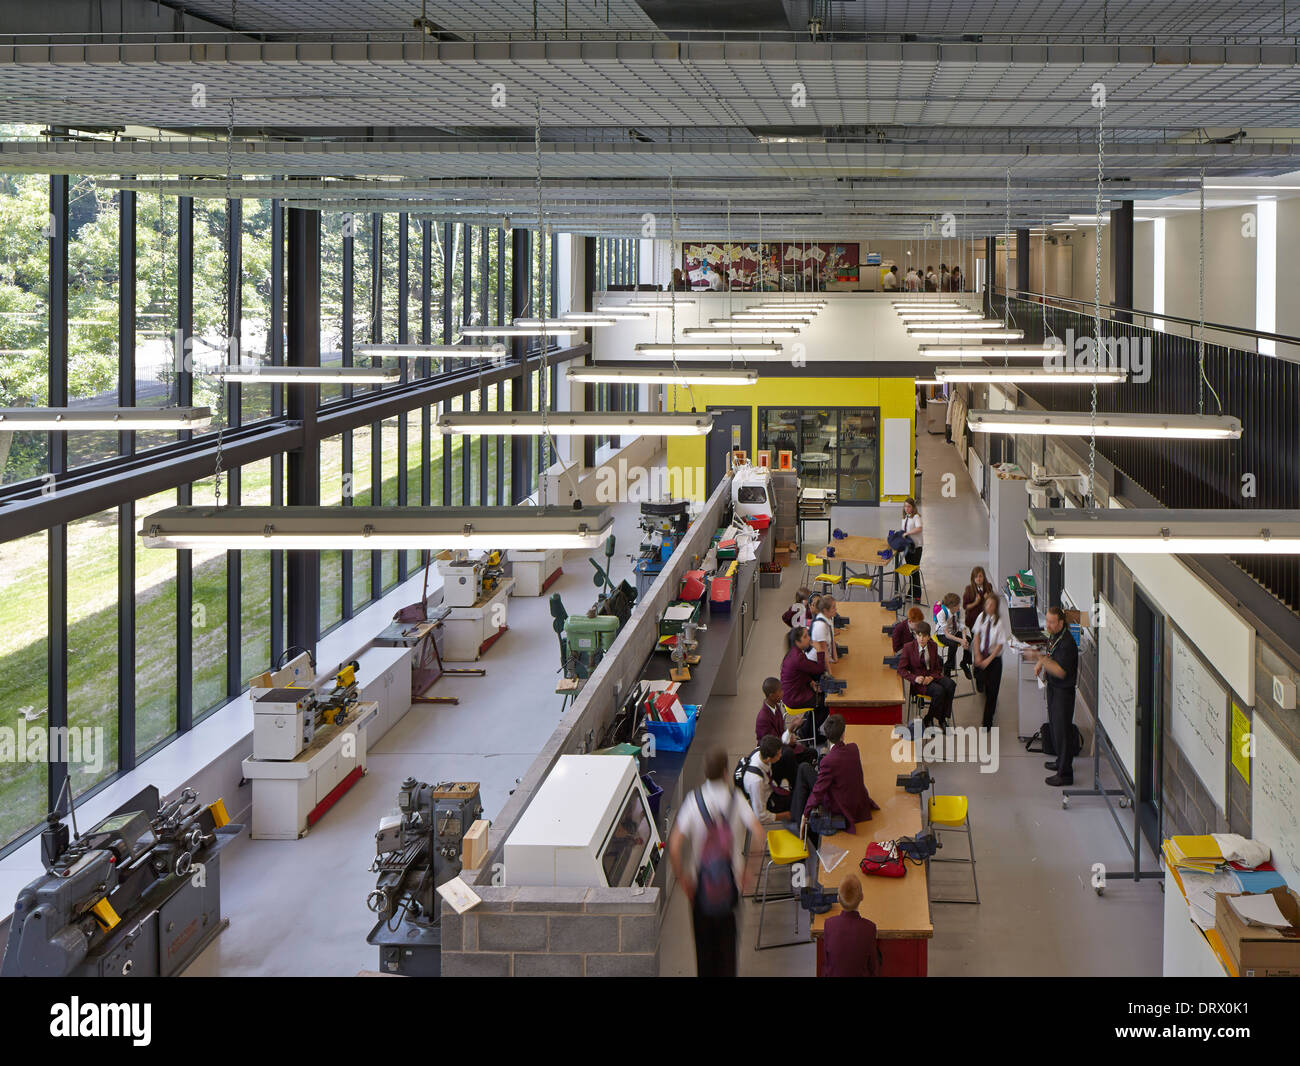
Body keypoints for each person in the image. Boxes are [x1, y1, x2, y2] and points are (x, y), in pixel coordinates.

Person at [668, 747, 763, 977]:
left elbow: (674, 846)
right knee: (727, 951)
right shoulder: (736, 799)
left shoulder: (694, 800)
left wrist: (684, 880)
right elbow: (759, 834)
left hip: (700, 887)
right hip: (729, 886)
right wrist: (748, 872)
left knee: (704, 952)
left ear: (705, 772)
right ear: (725, 772)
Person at [1027, 606, 1080, 786]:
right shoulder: (1054, 635)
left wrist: (1038, 659)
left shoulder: (1067, 644)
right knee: (1055, 728)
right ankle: (1060, 761)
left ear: (1060, 622)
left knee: (1062, 731)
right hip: (1053, 689)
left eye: (1051, 622)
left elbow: (1060, 671)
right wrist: (1041, 662)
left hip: (1063, 693)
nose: (1047, 625)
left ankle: (1065, 774)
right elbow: (1050, 655)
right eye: (1047, 621)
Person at [805, 714, 879, 833]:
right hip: (859, 802)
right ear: (843, 733)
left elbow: (819, 791)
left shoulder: (827, 761)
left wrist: (806, 812)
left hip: (842, 807)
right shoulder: (854, 748)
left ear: (827, 736)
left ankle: (800, 823)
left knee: (805, 771)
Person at [897, 621, 955, 729]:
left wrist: (932, 677)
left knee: (951, 684)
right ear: (916, 635)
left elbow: (938, 667)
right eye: (919, 635)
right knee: (940, 691)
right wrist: (914, 678)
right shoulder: (908, 647)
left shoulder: (933, 646)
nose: (921, 639)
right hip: (919, 681)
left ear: (929, 637)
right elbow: (901, 669)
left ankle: (933, 718)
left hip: (932, 675)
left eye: (924, 636)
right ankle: (938, 720)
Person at [821, 874, 880, 978]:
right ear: (862, 897)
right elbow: (873, 966)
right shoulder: (869, 928)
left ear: (838, 898)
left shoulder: (829, 924)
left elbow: (827, 962)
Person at [970, 592, 1009, 730]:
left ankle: (987, 722)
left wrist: (988, 661)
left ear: (996, 607)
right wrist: (977, 655)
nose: (988, 607)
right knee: (981, 681)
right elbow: (976, 637)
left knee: (992, 691)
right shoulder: (981, 617)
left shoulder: (999, 623)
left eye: (991, 605)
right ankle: (981, 683)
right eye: (987, 604)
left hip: (994, 658)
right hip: (981, 654)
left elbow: (999, 645)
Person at [781, 626, 826, 715]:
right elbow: (820, 669)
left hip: (789, 694)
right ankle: (807, 729)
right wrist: (820, 650)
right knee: (825, 703)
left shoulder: (793, 652)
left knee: (821, 691)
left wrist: (811, 682)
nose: (809, 638)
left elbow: (801, 673)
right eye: (805, 636)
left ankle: (808, 726)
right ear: (797, 642)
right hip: (794, 698)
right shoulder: (798, 658)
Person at [934, 592, 970, 678]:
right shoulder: (941, 614)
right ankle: (947, 667)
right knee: (953, 644)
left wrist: (964, 639)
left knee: (969, 640)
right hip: (942, 634)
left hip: (954, 631)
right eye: (957, 606)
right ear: (951, 607)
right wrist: (960, 640)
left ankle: (964, 663)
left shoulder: (958, 610)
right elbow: (947, 635)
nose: (959, 607)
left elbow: (962, 626)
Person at [900, 497, 924, 602]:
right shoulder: (905, 518)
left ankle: (917, 595)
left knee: (914, 570)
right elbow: (903, 531)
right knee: (910, 570)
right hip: (908, 547)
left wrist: (908, 533)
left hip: (916, 548)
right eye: (905, 506)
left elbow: (919, 528)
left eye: (909, 506)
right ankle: (911, 592)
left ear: (913, 507)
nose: (907, 508)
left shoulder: (916, 517)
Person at [810, 593, 842, 665]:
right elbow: (824, 652)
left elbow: (832, 641)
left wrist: (835, 659)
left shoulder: (829, 619)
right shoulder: (820, 626)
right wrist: (830, 674)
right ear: (825, 610)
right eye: (833, 607)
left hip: (826, 659)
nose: (836, 609)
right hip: (815, 662)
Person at [962, 565, 991, 631]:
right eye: (976, 577)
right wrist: (975, 603)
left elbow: (994, 602)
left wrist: (988, 599)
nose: (978, 579)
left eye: (980, 576)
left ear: (984, 577)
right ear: (973, 578)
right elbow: (965, 606)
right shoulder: (969, 589)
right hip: (973, 620)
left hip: (985, 619)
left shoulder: (988, 587)